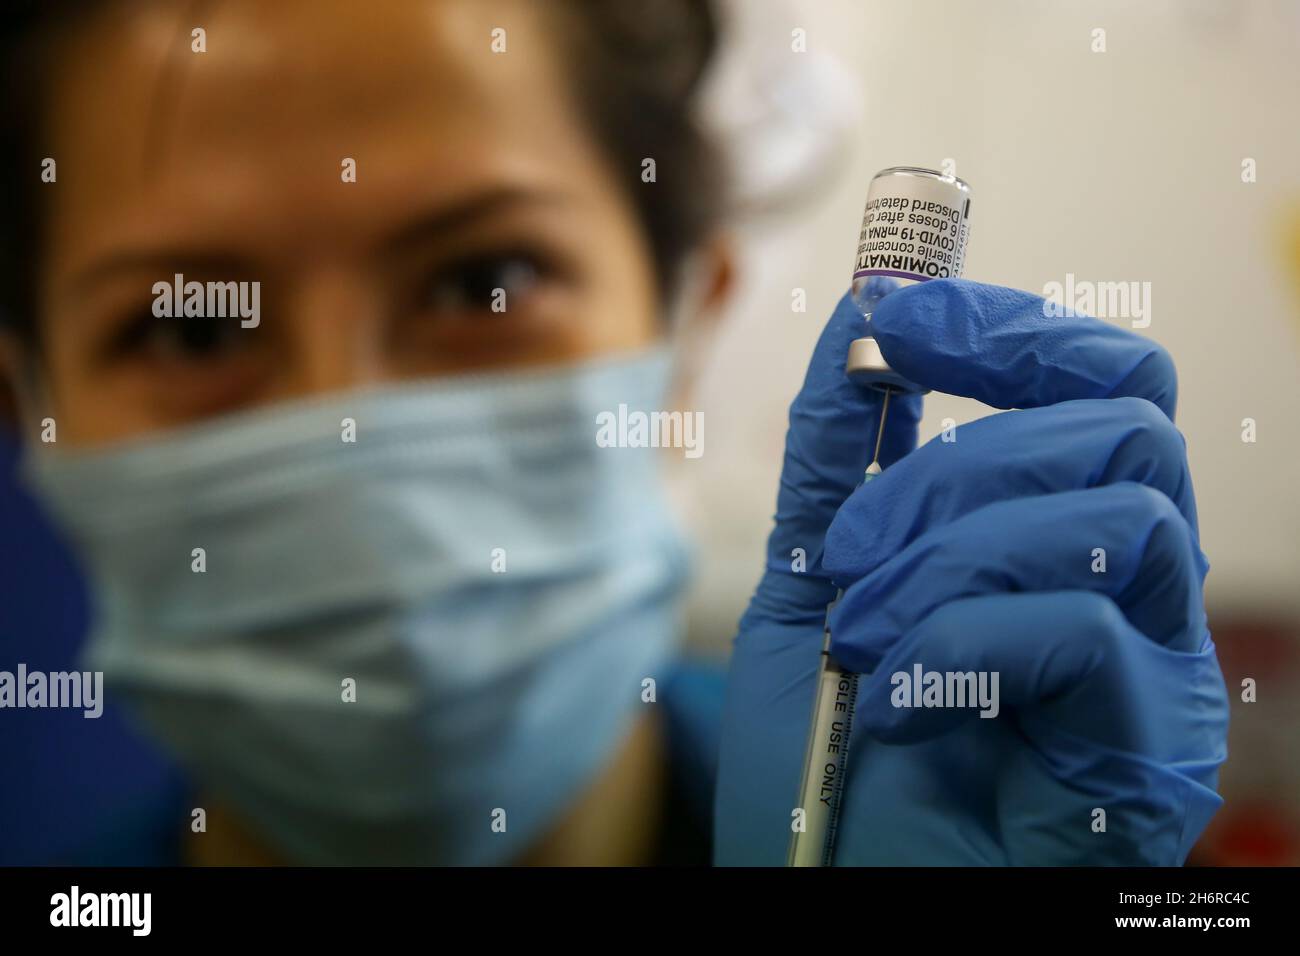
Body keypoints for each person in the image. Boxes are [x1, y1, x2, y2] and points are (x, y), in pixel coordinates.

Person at [0, 0, 1227, 867]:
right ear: (31, 405)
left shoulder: (927, 811)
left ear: (686, 324)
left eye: (484, 281)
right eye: (192, 332)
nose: (348, 429)